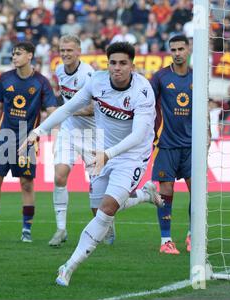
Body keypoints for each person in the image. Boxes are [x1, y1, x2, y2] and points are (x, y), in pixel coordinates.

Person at [21, 42, 157, 286]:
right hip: (101, 149)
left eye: (123, 63)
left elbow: (139, 134)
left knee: (106, 210)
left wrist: (109, 153)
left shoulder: (143, 91)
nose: (117, 68)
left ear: (132, 66)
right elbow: (69, 108)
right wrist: (38, 131)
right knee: (99, 208)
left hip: (131, 155)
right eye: (113, 63)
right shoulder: (97, 82)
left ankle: (68, 267)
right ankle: (145, 195)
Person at [0, 41, 57, 243]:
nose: (14, 57)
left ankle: (26, 230)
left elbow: (51, 112)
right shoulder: (5, 79)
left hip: (26, 138)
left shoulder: (41, 82)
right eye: (13, 54)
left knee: (26, 184)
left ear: (30, 56)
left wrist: (40, 134)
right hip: (4, 137)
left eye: (18, 53)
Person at [49, 34, 96, 247]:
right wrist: (64, 114)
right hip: (68, 131)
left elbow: (93, 108)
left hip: (92, 133)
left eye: (69, 50)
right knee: (59, 176)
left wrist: (67, 112)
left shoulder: (88, 75)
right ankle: (61, 229)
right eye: (62, 50)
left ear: (78, 51)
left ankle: (106, 223)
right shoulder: (59, 71)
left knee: (98, 186)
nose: (65, 54)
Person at [150, 34, 193, 254]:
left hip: (191, 146)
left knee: (197, 192)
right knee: (166, 193)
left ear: (189, 49)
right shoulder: (160, 77)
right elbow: (147, 105)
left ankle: (192, 235)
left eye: (180, 49)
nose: (177, 53)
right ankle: (165, 240)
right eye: (173, 49)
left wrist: (207, 135)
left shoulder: (198, 77)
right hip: (166, 145)